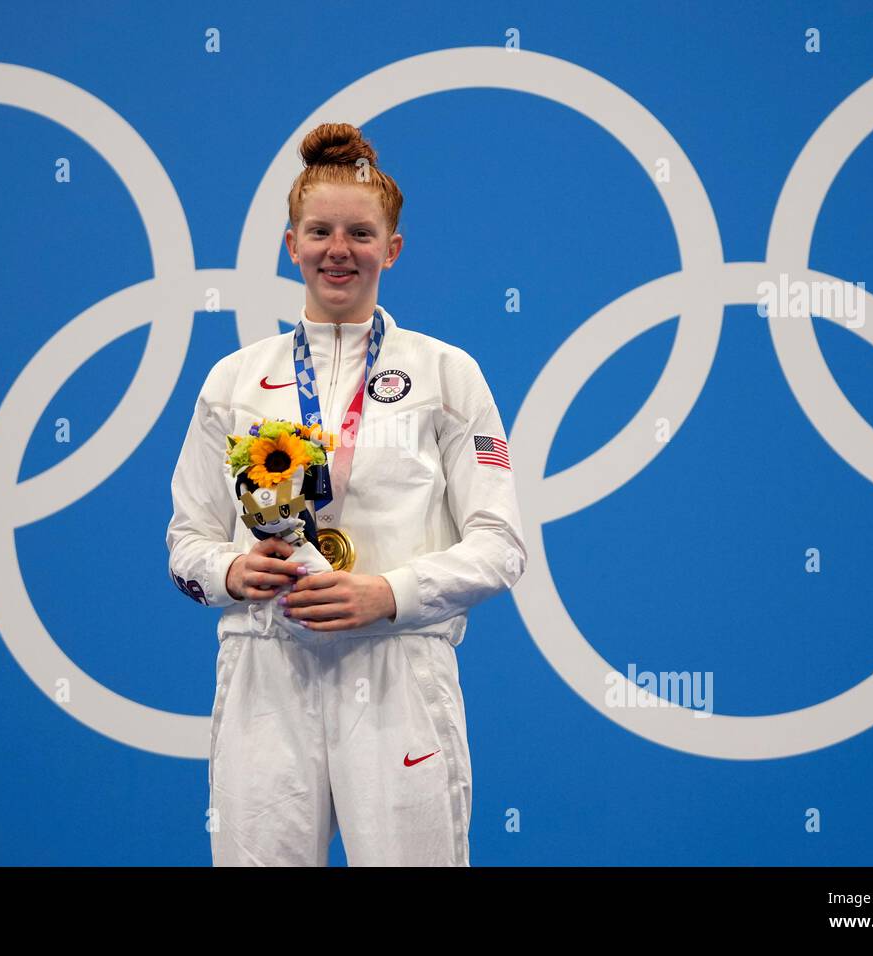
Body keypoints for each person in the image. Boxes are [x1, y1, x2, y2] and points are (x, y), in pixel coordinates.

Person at [166, 122, 526, 866]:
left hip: (397, 669)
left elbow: (501, 548)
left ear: (391, 249)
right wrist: (229, 573)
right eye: (320, 231)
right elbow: (187, 541)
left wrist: (389, 593)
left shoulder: (447, 374)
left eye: (361, 234)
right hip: (265, 668)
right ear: (290, 243)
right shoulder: (233, 381)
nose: (340, 249)